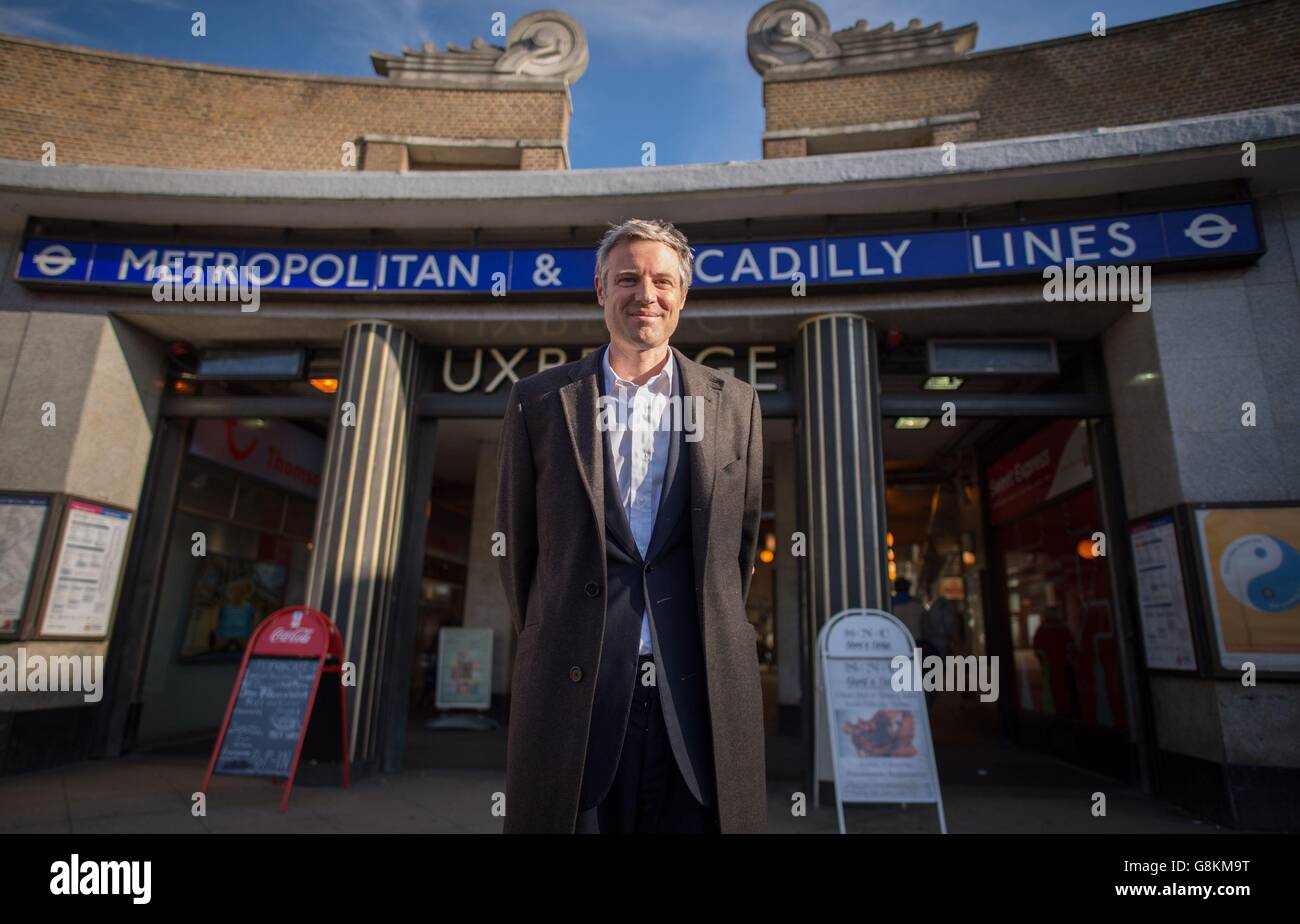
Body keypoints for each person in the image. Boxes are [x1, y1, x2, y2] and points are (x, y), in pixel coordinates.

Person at [495, 218, 768, 834]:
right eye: (628, 278)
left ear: (682, 296)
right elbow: (518, 550)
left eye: (662, 280)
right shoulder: (539, 401)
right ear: (600, 290)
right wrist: (556, 632)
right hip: (578, 689)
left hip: (697, 695)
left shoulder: (736, 404)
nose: (646, 293)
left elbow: (739, 551)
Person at [891, 577, 928, 644]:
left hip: (896, 642)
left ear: (895, 588)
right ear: (908, 588)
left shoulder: (889, 605)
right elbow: (926, 626)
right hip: (915, 642)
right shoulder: (917, 606)